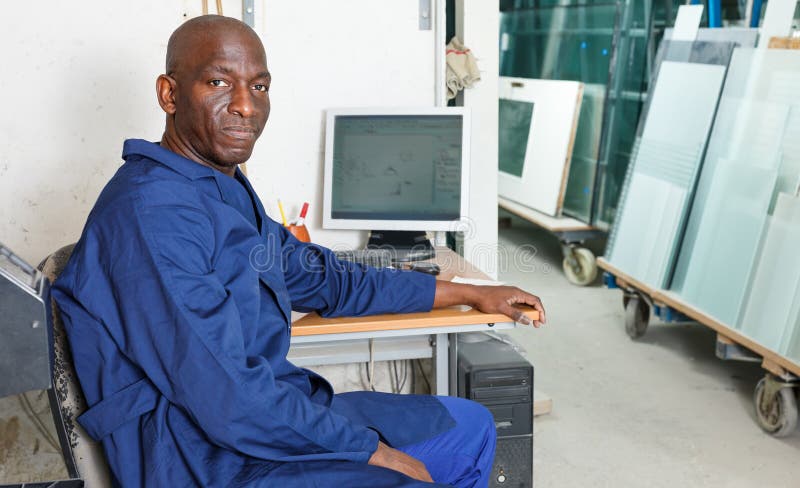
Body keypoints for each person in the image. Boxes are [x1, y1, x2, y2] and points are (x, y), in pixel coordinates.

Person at [52, 15, 546, 487]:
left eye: (259, 86)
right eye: (220, 83)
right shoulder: (152, 214)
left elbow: (323, 277)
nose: (246, 105)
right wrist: (370, 450)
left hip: (260, 415)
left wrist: (467, 293)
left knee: (470, 426)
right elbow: (225, 394)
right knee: (412, 470)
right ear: (170, 94)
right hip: (202, 458)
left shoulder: (217, 187)